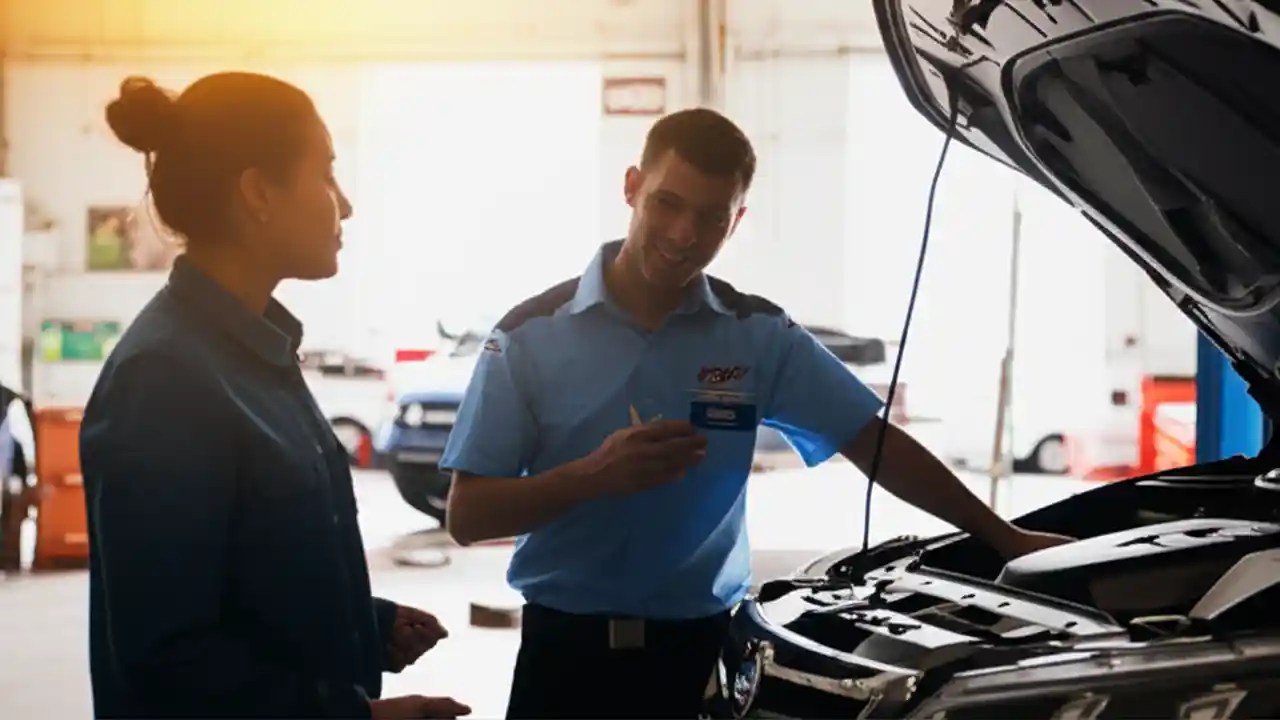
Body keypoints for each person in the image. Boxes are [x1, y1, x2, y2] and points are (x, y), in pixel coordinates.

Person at [439, 107, 1074, 719]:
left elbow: (877, 443)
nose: (686, 235)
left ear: (736, 220)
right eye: (667, 203)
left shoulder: (757, 335)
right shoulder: (527, 337)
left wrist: (1005, 538)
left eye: (712, 217)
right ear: (632, 189)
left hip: (702, 657)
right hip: (566, 659)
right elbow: (467, 516)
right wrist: (592, 477)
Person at [80, 73, 470, 719]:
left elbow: (248, 575)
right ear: (259, 192)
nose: (344, 206)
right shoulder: (167, 380)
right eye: (327, 176)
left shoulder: (254, 353)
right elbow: (167, 657)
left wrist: (361, 625)